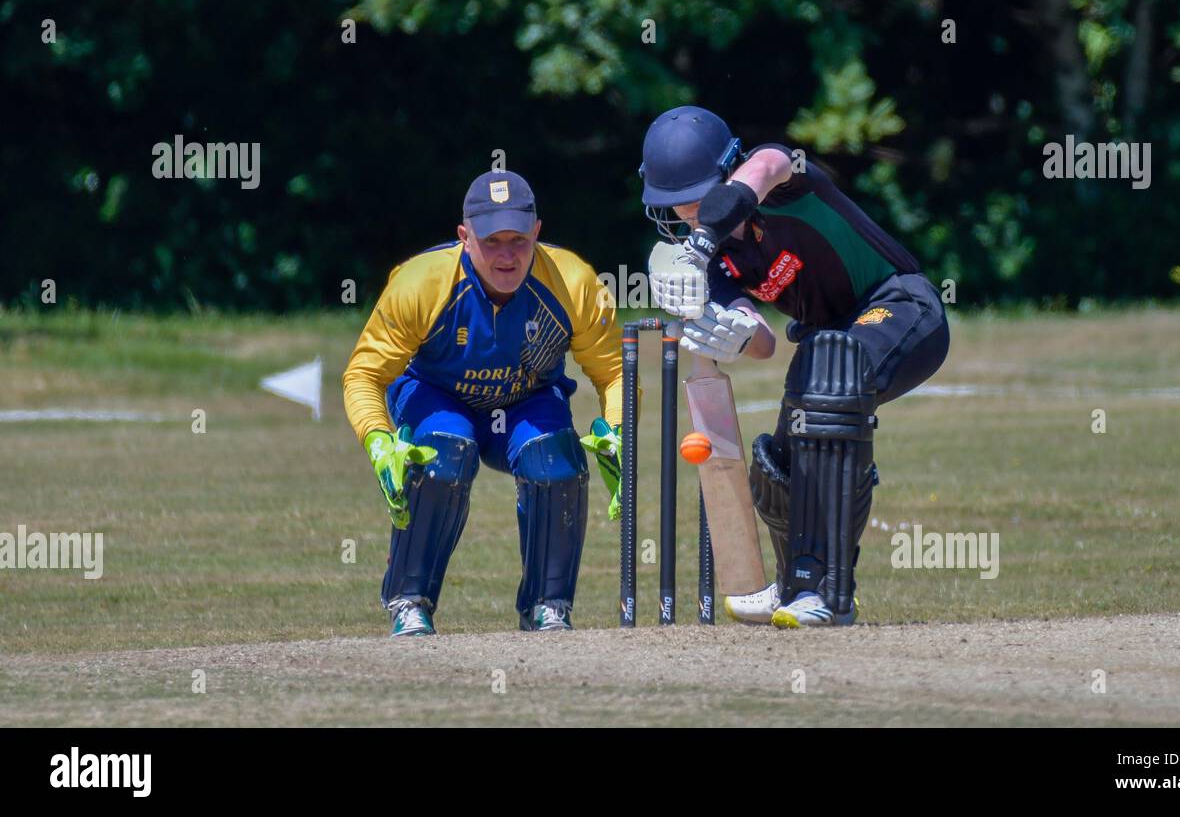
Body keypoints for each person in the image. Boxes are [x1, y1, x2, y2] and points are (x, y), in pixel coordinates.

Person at [641, 106, 950, 628]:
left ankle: (826, 591)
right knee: (780, 460)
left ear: (725, 173)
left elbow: (766, 165)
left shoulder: (784, 182)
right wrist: (733, 333)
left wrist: (700, 242)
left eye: (696, 198)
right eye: (676, 206)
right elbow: (763, 343)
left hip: (901, 307)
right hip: (825, 341)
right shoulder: (714, 263)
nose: (689, 213)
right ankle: (793, 587)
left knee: (832, 376)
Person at [342, 170, 627, 636]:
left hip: (525, 400)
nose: (508, 255)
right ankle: (409, 602)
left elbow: (614, 370)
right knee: (444, 453)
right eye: (492, 240)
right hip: (436, 395)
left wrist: (616, 431)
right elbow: (365, 373)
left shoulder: (574, 282)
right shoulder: (420, 283)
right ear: (464, 237)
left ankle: (547, 606)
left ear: (537, 232)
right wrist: (378, 439)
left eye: (518, 239)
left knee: (556, 463)